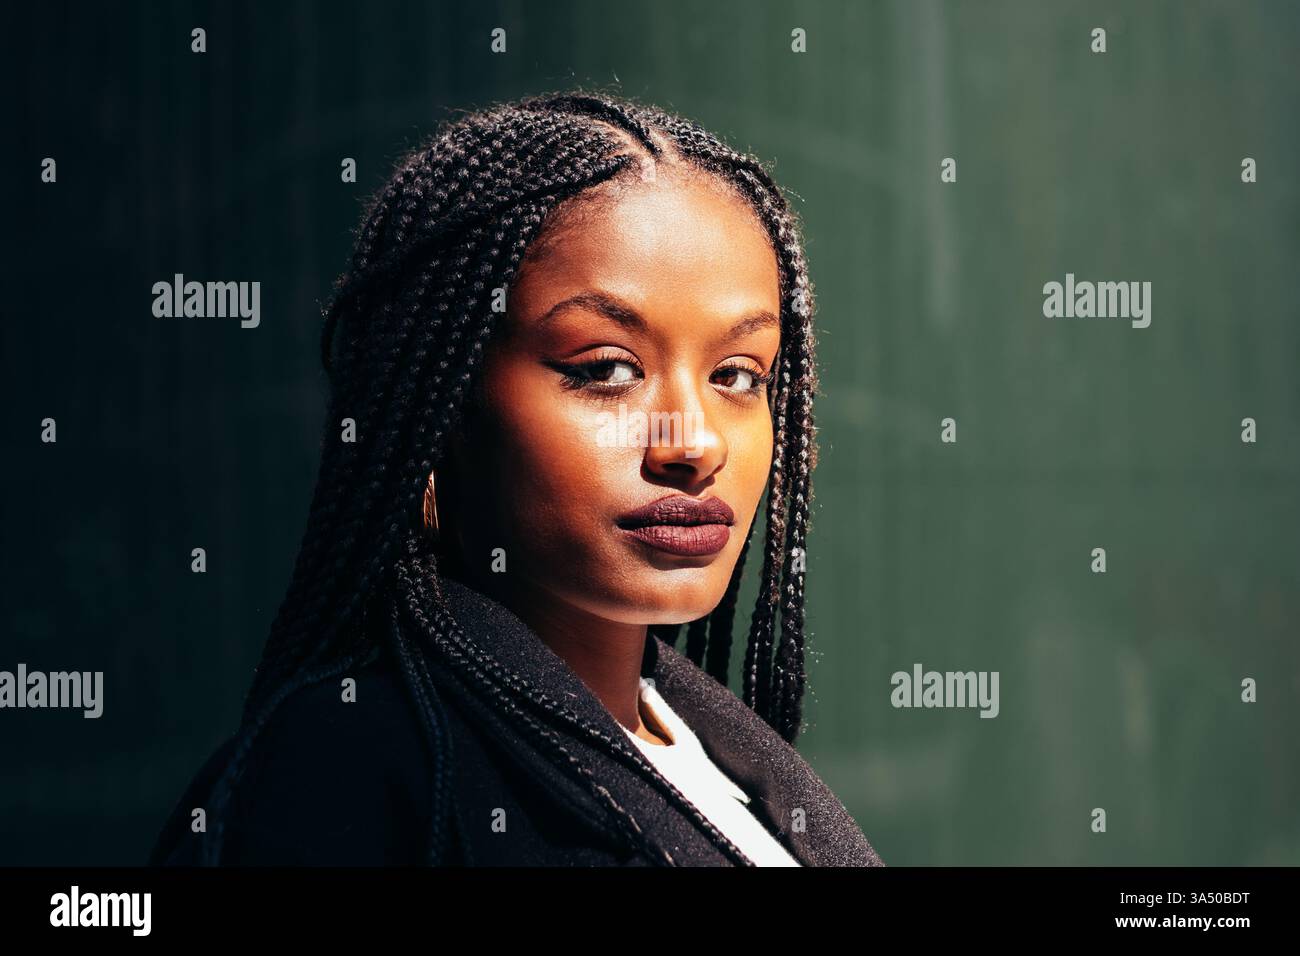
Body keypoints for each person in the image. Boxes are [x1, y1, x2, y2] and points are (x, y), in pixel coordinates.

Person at [149, 90, 885, 867]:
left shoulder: (713, 757)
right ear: (442, 402)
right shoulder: (346, 774)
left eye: (737, 375)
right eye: (605, 369)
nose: (694, 442)